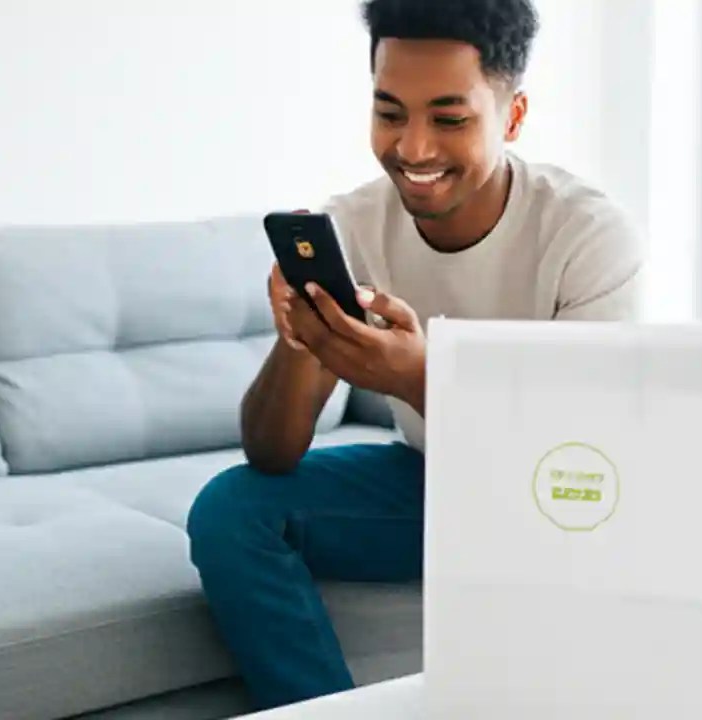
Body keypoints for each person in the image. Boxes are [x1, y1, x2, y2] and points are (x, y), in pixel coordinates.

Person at [185, 0, 643, 710]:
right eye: (390, 112)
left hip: (553, 499)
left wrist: (424, 379)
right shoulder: (357, 224)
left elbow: (578, 461)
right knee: (232, 509)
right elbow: (272, 453)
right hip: (435, 485)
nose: (414, 148)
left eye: (449, 118)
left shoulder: (587, 236)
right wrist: (300, 340)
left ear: (512, 116)